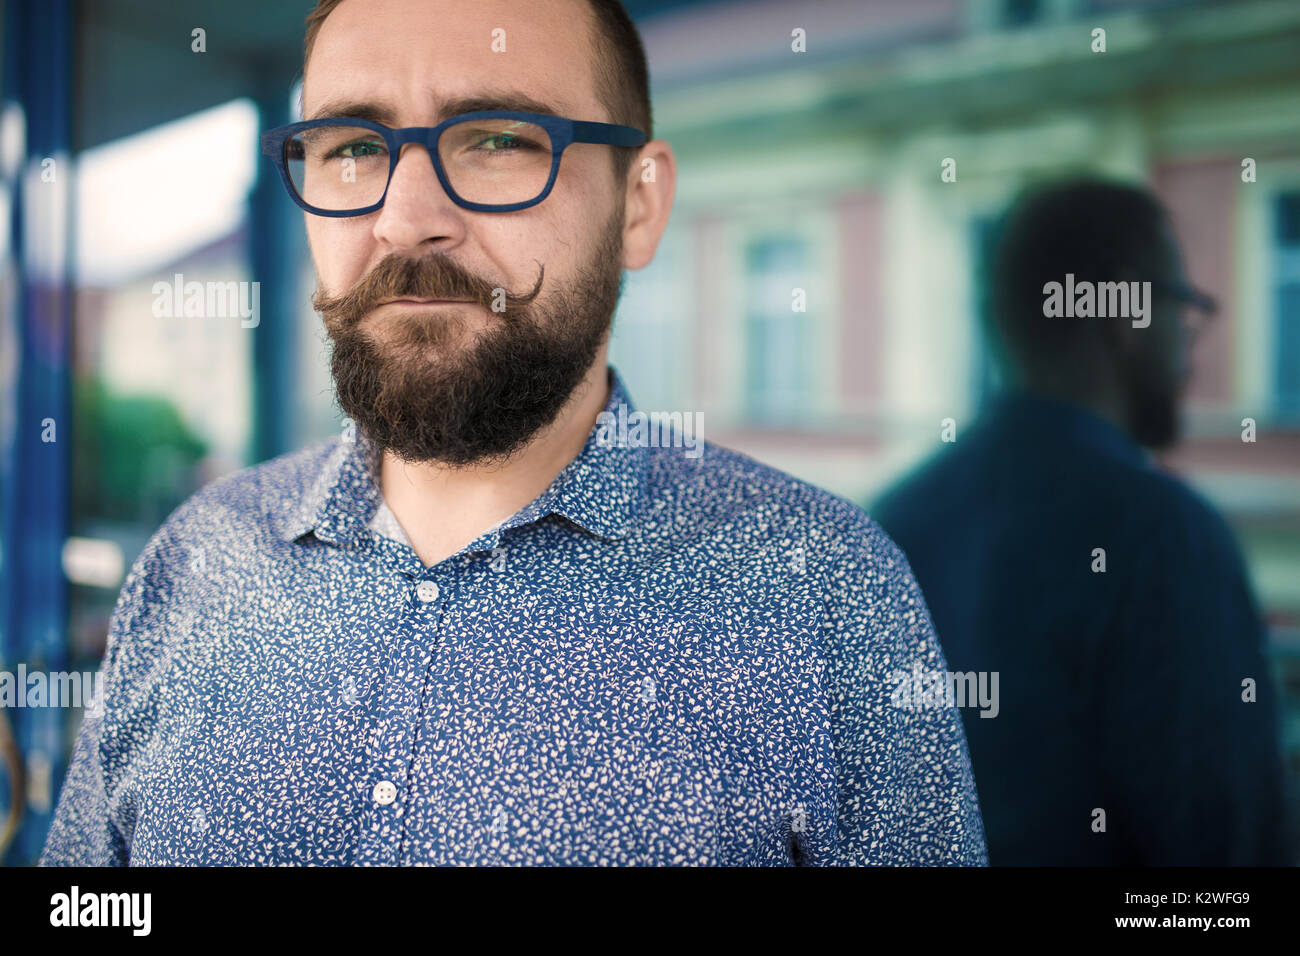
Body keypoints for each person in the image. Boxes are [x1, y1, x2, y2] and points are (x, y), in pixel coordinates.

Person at [40, 0, 986, 866]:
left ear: (639, 205)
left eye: (494, 138)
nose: (404, 221)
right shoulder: (196, 564)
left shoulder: (822, 591)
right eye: (352, 148)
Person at [872, 177, 1289, 865]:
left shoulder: (891, 520)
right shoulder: (1165, 535)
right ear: (1127, 313)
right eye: (1184, 312)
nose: (1193, 354)